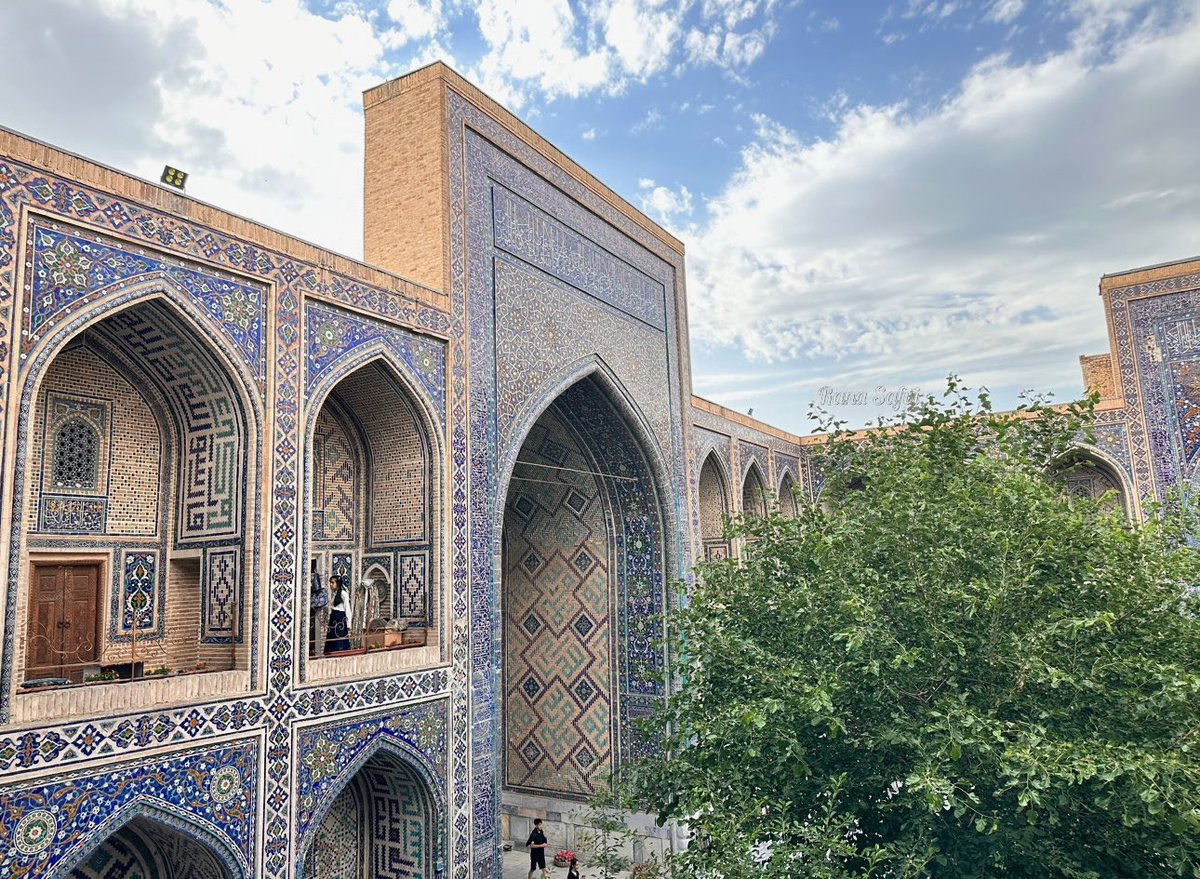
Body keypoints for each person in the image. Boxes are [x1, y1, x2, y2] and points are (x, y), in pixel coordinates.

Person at [324, 576, 352, 653]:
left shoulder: (343, 594)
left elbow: (347, 609)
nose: (331, 585)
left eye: (333, 583)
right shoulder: (335, 594)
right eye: (330, 583)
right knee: (332, 639)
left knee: (339, 640)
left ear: (338, 583)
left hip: (340, 620)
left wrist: (348, 624)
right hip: (334, 618)